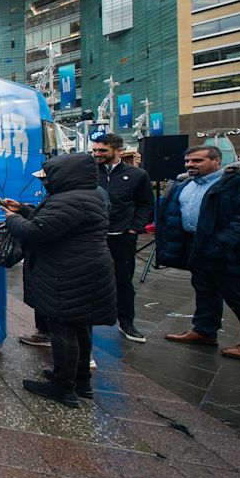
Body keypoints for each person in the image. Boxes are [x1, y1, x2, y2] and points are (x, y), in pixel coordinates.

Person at [0, 153, 116, 407]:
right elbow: (55, 223)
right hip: (83, 269)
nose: (46, 181)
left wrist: (13, 219)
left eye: (50, 175)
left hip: (69, 273)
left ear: (66, 174)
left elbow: (36, 232)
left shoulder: (70, 199)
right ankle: (81, 381)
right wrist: (23, 209)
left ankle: (63, 387)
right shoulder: (88, 194)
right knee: (79, 326)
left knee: (63, 329)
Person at [158, 148, 240, 360]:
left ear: (216, 161)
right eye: (187, 161)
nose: (190, 164)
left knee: (235, 293)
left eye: (197, 160)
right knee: (204, 288)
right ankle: (204, 330)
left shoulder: (238, 183)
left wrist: (224, 242)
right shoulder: (186, 184)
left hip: (226, 249)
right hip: (195, 245)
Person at [91, 133, 156, 342]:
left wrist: (135, 229)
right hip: (92, 238)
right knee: (88, 281)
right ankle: (86, 323)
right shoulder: (90, 172)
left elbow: (146, 203)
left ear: (118, 151)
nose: (97, 154)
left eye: (102, 150)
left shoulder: (137, 175)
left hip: (121, 237)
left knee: (123, 281)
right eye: (95, 150)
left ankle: (127, 322)